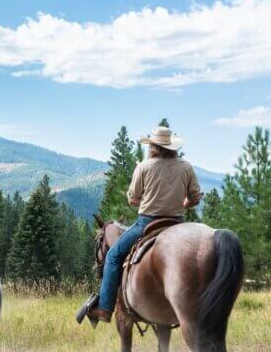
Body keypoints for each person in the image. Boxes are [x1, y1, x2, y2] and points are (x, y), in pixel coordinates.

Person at [80, 126, 201, 325]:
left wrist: (147, 201)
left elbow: (132, 199)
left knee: (113, 256)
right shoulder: (186, 167)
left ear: (153, 146)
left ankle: (105, 308)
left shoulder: (144, 167)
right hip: (177, 224)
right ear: (172, 147)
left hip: (147, 223)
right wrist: (182, 204)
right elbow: (195, 198)